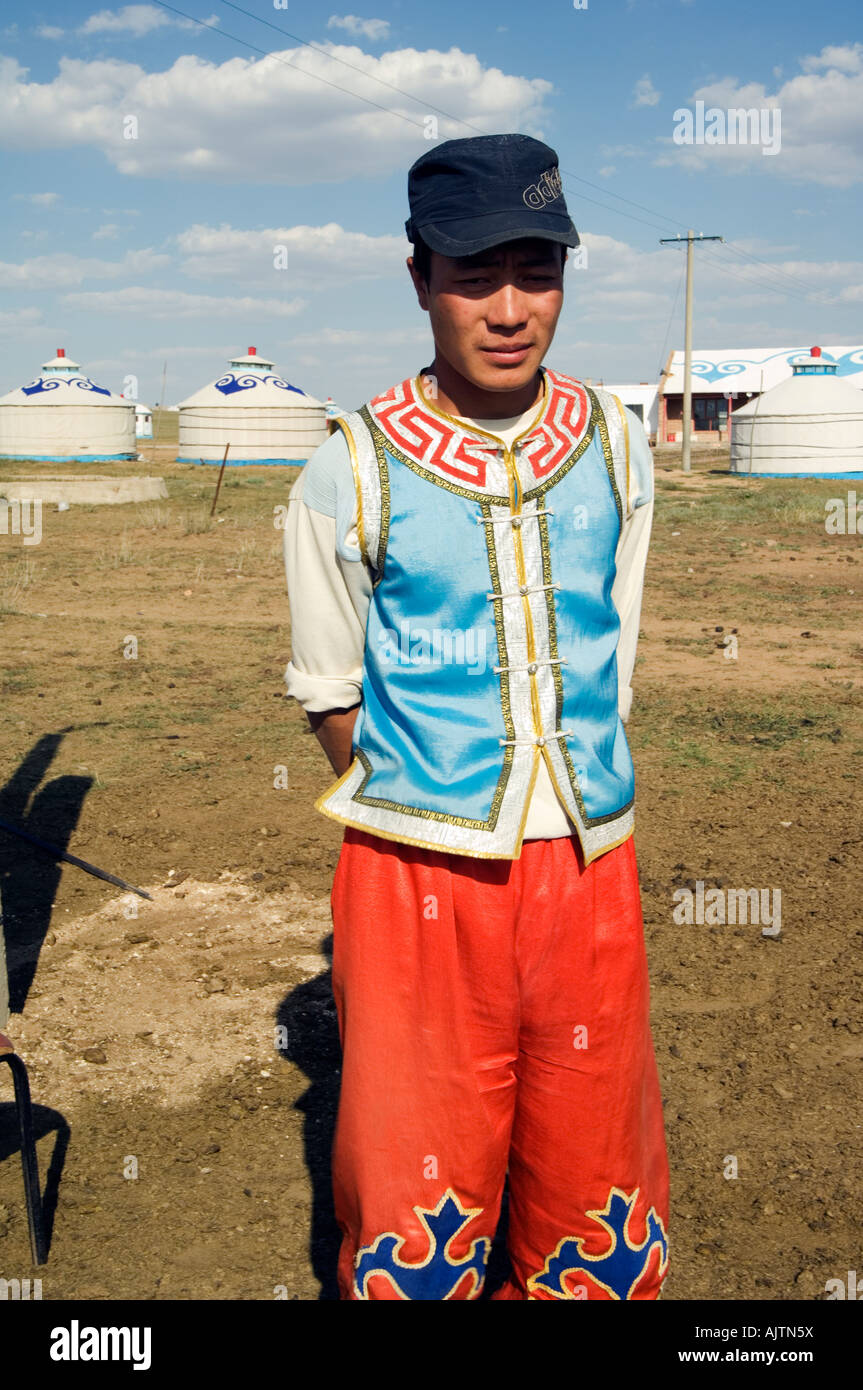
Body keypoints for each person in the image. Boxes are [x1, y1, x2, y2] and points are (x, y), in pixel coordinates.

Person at [284, 133, 669, 1301]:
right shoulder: (348, 465)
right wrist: (435, 800)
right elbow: (330, 690)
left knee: (591, 1150)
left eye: (536, 271)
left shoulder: (611, 441)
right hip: (416, 875)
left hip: (591, 865)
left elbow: (615, 640)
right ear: (418, 280)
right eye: (471, 274)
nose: (508, 309)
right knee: (419, 1159)